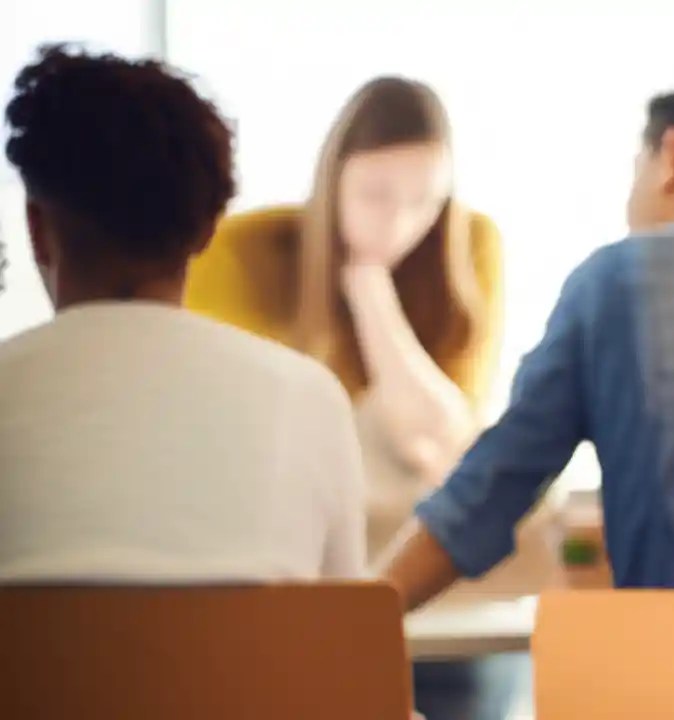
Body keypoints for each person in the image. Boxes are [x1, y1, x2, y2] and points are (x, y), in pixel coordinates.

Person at [381, 81, 674, 608]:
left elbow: (493, 486)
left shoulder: (619, 278)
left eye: (637, 166)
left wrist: (346, 620)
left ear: (673, 157)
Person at [0, 45, 364, 581]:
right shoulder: (308, 398)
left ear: (37, 228)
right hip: (253, 669)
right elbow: (342, 634)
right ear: (206, 229)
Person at [184, 76, 503, 560]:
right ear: (332, 181)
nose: (399, 223)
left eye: (425, 202)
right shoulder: (242, 252)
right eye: (376, 195)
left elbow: (450, 449)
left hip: (405, 525)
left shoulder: (468, 246)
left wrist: (370, 292)